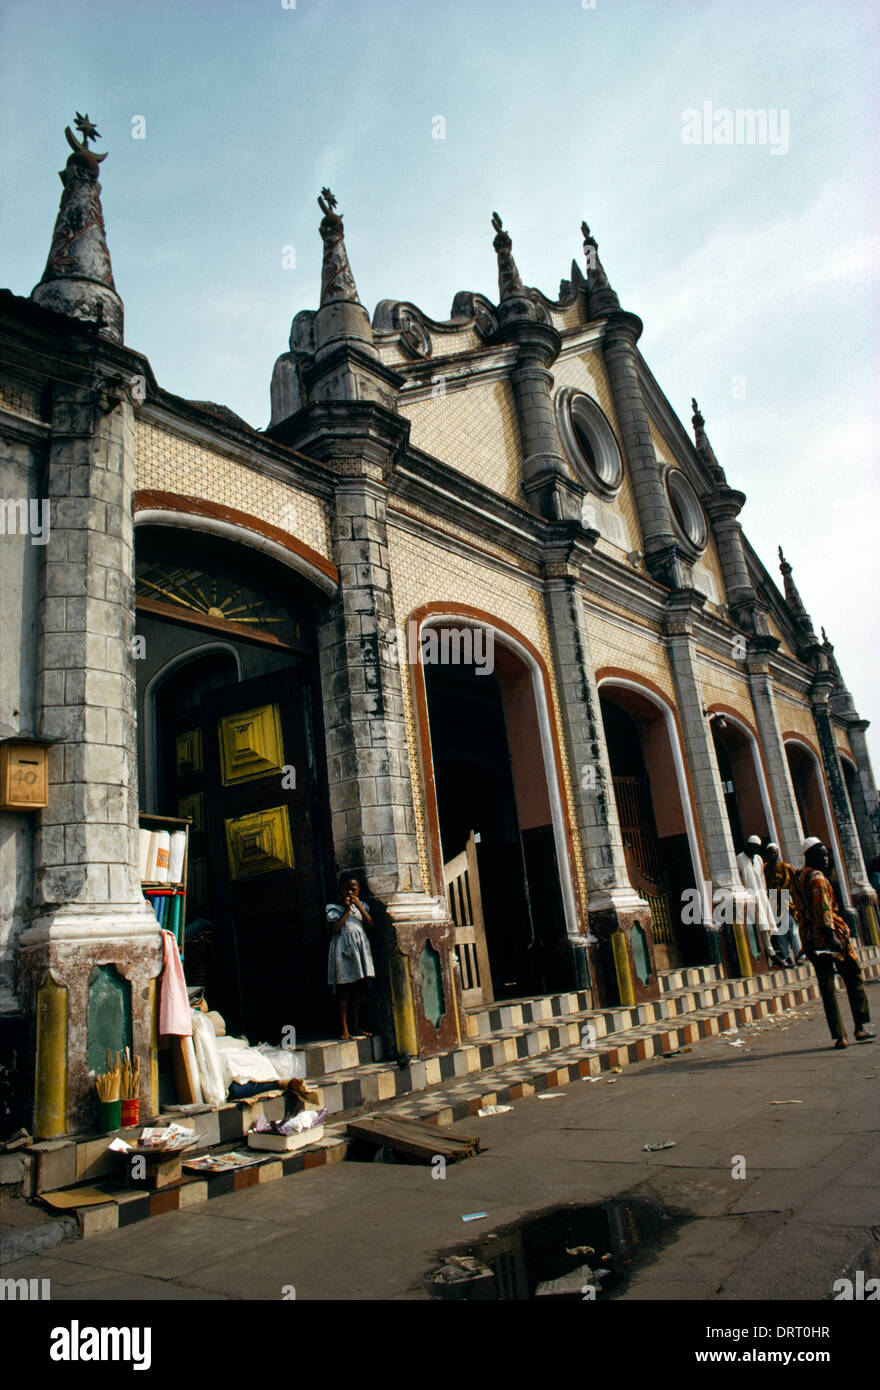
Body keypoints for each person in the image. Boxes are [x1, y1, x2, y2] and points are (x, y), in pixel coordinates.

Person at [794, 837, 875, 1049]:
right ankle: (860, 1025)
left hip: (809, 938)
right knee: (853, 975)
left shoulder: (798, 876)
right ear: (809, 856)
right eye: (821, 854)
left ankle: (840, 1036)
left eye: (826, 854)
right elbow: (824, 910)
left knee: (827, 987)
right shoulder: (818, 879)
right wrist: (831, 937)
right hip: (830, 937)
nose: (826, 858)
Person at [326, 874, 375, 1041]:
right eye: (346, 889)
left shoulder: (363, 907)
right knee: (344, 991)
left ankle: (355, 1026)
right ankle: (344, 1028)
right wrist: (347, 910)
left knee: (357, 990)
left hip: (359, 951)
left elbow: (370, 923)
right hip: (343, 951)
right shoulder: (334, 909)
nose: (349, 892)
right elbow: (335, 929)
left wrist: (358, 906)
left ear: (358, 891)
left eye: (353, 889)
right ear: (340, 890)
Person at [758, 841, 804, 966]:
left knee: (792, 930)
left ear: (777, 853)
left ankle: (799, 955)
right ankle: (786, 956)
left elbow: (794, 883)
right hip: (772, 901)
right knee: (779, 931)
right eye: (769, 852)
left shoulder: (786, 867)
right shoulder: (765, 868)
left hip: (786, 900)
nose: (771, 854)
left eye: (774, 852)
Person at [735, 834, 778, 965]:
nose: (754, 850)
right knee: (761, 923)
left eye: (757, 848)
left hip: (761, 894)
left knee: (768, 922)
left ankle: (768, 950)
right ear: (748, 845)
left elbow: (761, 877)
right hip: (749, 896)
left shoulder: (758, 859)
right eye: (752, 847)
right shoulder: (739, 859)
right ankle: (770, 952)